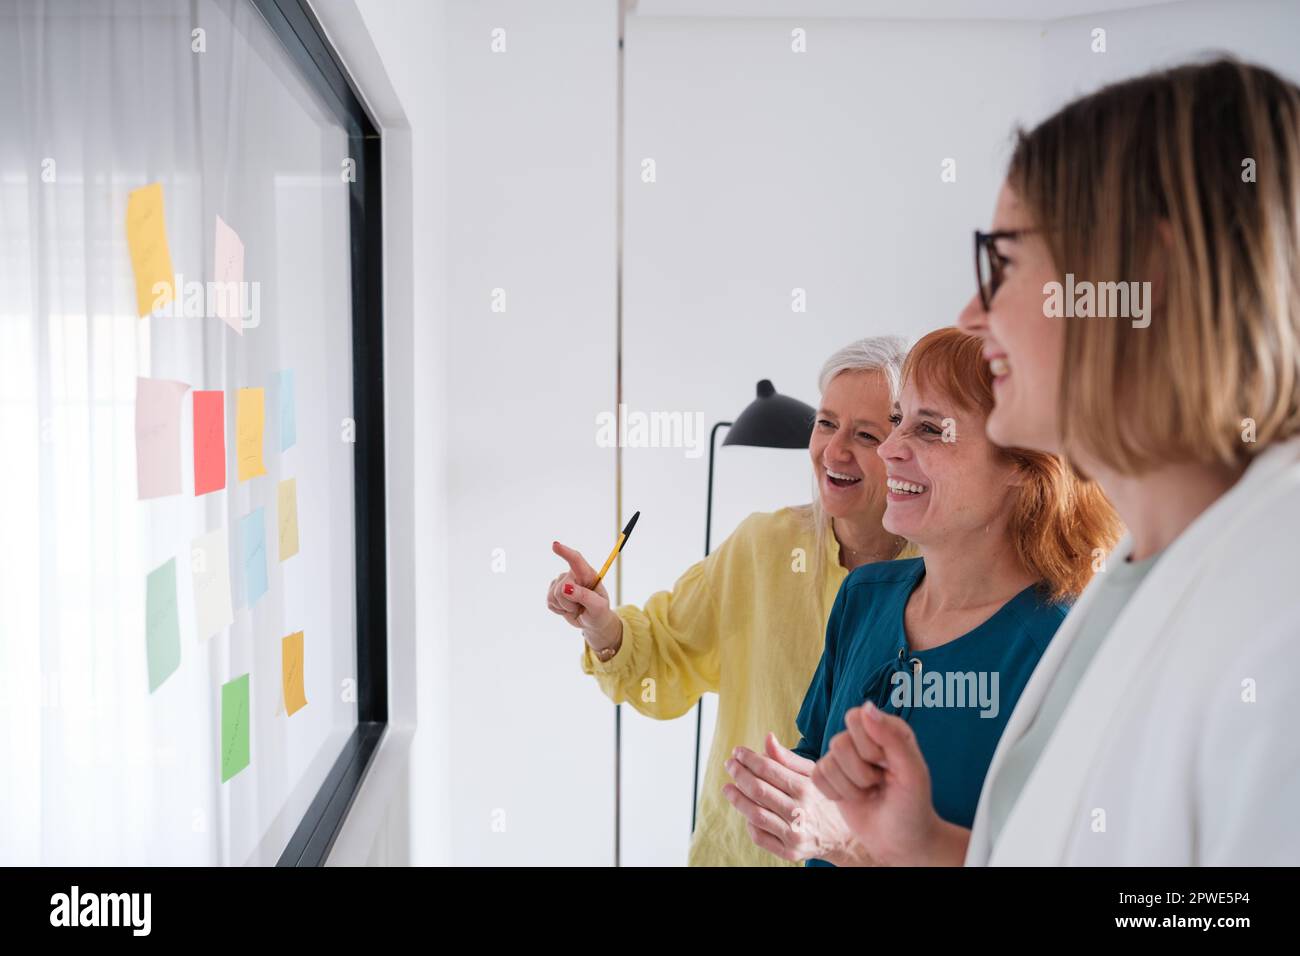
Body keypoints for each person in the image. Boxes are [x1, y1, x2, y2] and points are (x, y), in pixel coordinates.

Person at [816, 57, 1300, 865]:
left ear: (1142, 277)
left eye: (1002, 260)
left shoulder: (1276, 601)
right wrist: (926, 844)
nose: (975, 311)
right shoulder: (1144, 576)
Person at [722, 327, 1119, 865]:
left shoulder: (1063, 651)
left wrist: (851, 841)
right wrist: (787, 795)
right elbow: (815, 757)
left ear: (1026, 468)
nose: (888, 449)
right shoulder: (864, 596)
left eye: (929, 429)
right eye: (898, 422)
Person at [545, 337, 914, 866]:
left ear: (903, 447)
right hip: (742, 853)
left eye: (865, 434)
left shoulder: (941, 574)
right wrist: (601, 624)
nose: (834, 451)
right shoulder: (762, 546)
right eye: (826, 423)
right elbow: (665, 651)